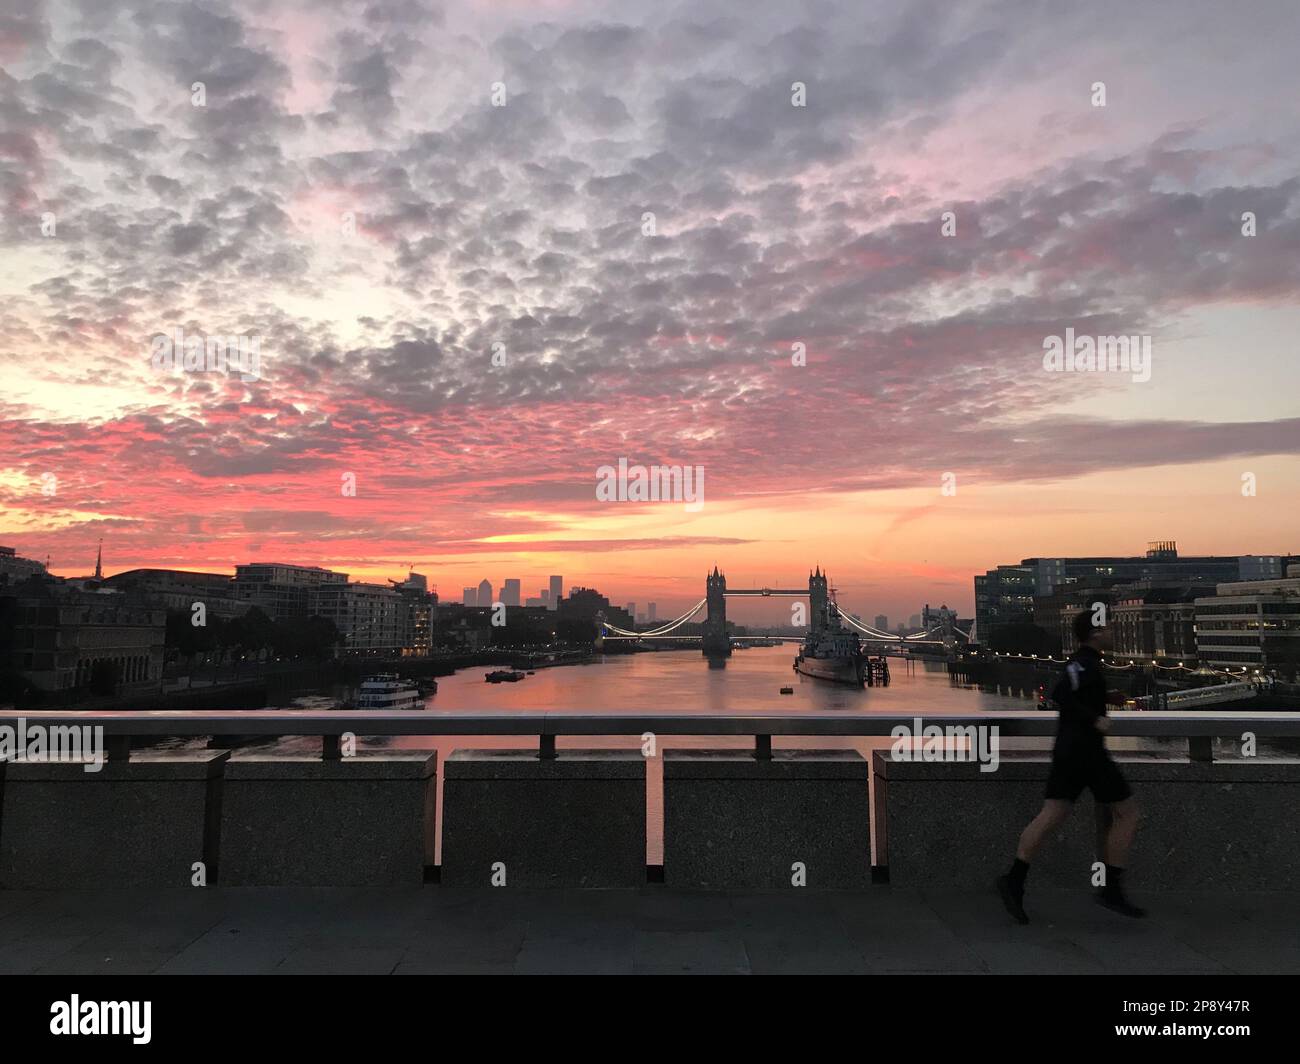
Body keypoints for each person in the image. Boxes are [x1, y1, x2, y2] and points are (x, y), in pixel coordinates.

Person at [996, 609, 1146, 923]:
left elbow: (1074, 692)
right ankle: (1111, 889)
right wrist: (1096, 718)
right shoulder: (1084, 662)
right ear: (1094, 633)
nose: (1112, 630)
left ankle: (1014, 881)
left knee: (1052, 814)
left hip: (1068, 752)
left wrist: (1107, 697)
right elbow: (1062, 694)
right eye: (1106, 626)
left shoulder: (1084, 663)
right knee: (1127, 813)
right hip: (1087, 753)